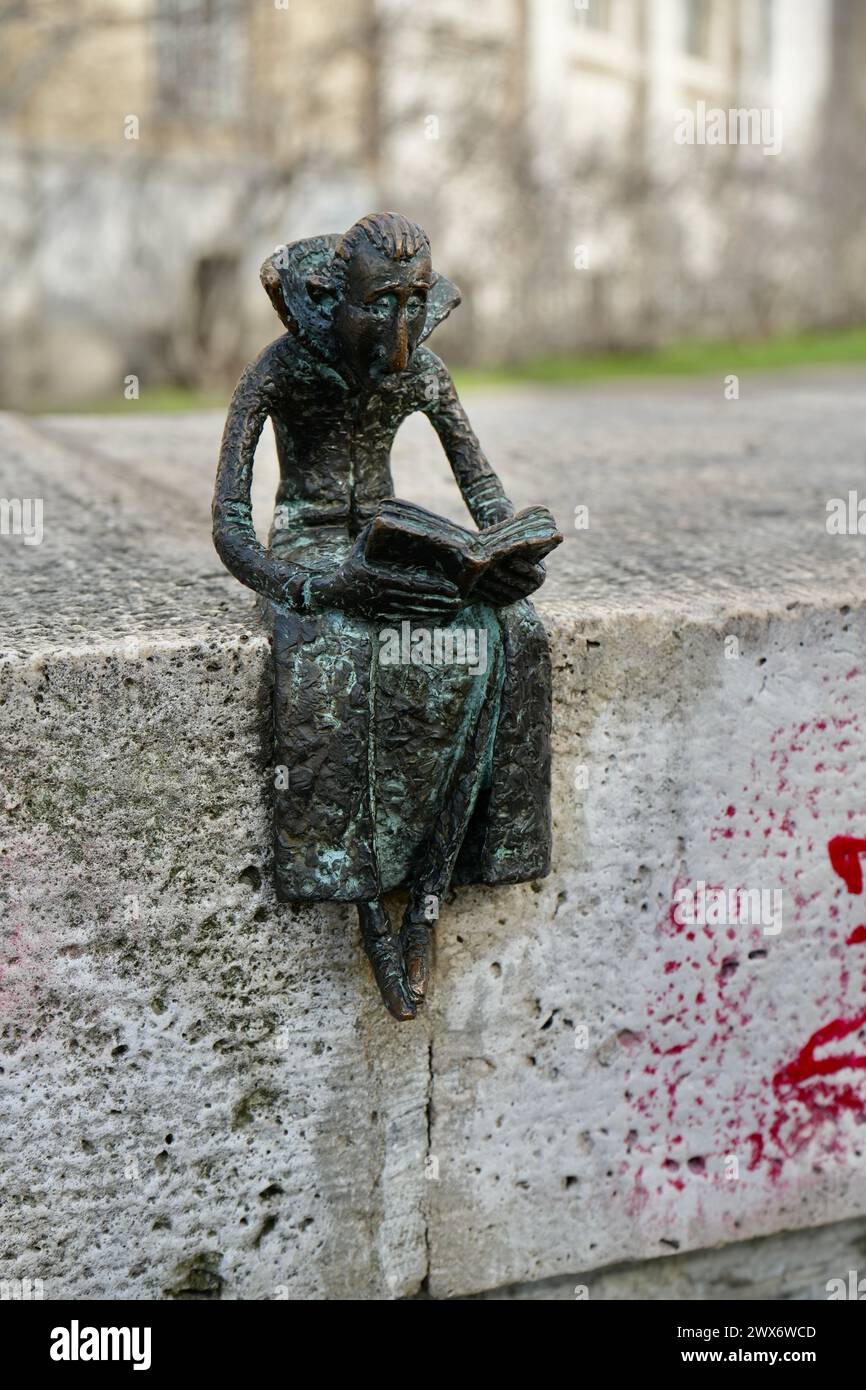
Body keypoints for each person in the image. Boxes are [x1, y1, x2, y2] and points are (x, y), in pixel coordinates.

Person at [214, 212, 555, 1020]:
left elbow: (482, 488)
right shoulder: (281, 371)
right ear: (335, 301)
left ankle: (435, 881)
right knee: (336, 657)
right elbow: (230, 524)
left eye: (414, 304)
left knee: (513, 637)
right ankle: (366, 895)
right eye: (380, 304)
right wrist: (315, 590)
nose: (398, 327)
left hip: (389, 533)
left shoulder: (422, 372)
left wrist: (504, 551)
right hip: (311, 541)